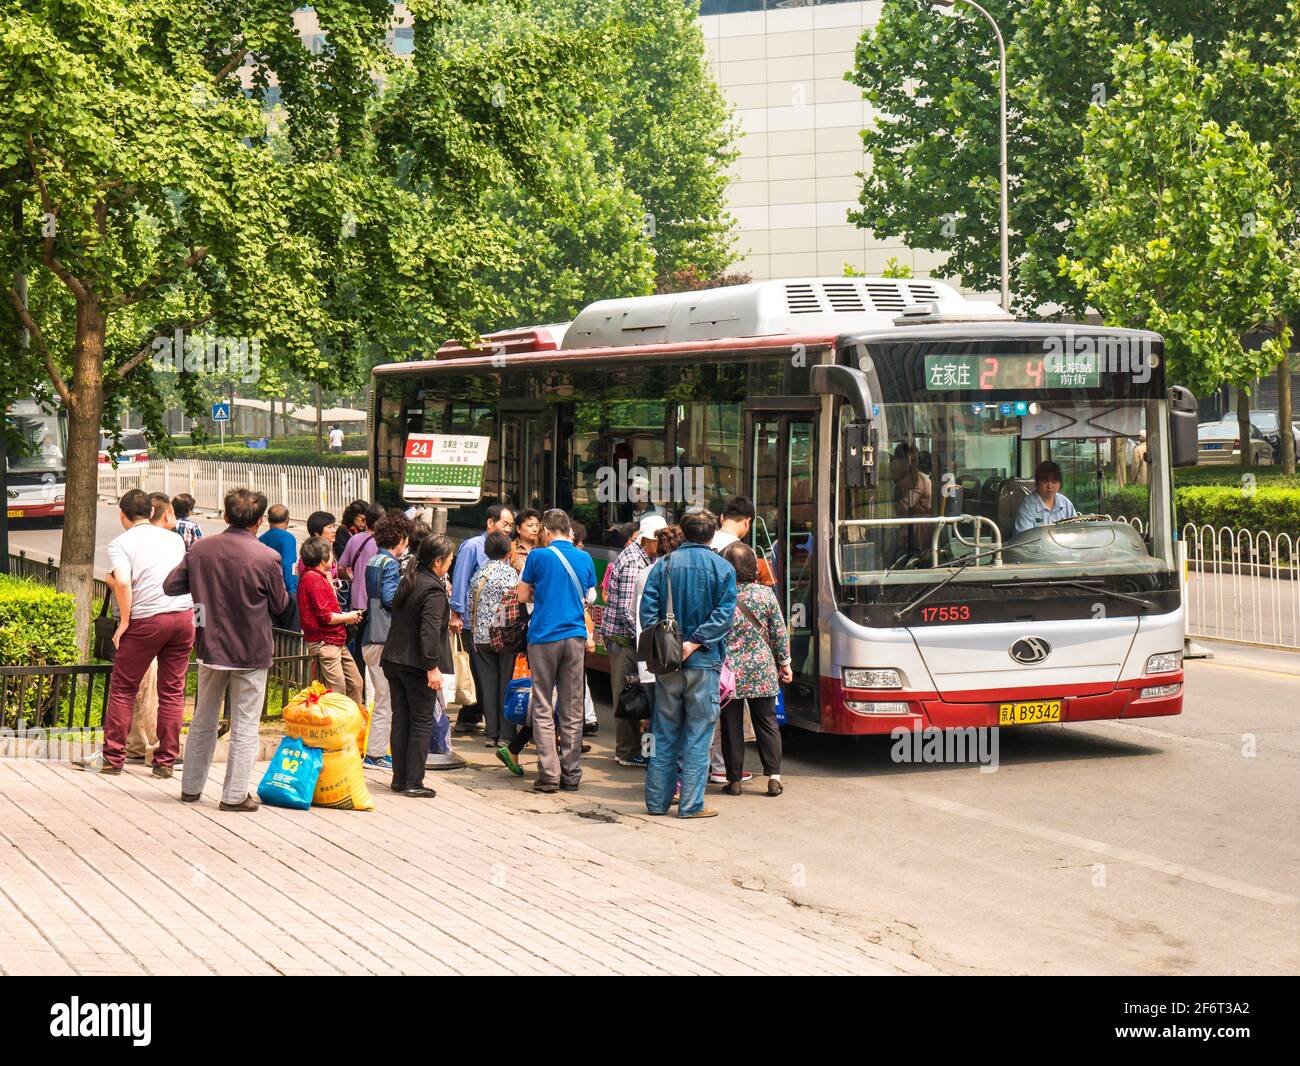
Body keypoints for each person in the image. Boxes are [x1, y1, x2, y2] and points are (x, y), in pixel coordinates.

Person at [163, 488, 288, 811]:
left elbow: (171, 586)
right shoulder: (266, 557)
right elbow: (280, 603)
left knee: (203, 717)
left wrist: (204, 587)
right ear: (260, 521)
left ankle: (191, 788)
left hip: (211, 645)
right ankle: (234, 796)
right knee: (246, 724)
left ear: (225, 516)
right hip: (251, 648)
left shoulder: (201, 549)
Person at [76, 490, 195, 777]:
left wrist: (125, 621)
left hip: (146, 619)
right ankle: (165, 760)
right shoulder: (174, 538)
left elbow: (125, 584)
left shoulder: (120, 543)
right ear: (153, 513)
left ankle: (113, 757)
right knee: (172, 690)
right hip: (182, 616)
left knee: (123, 688)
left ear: (122, 516)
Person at [640, 508, 737, 819]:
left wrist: (669, 643)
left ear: (683, 531)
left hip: (667, 664)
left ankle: (657, 802)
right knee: (698, 735)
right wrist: (694, 641)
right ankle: (691, 804)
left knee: (664, 731)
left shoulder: (663, 565)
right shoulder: (722, 568)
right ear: (711, 535)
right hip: (704, 661)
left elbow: (648, 613)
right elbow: (724, 617)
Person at [516, 509, 597, 794]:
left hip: (543, 636)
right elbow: (589, 597)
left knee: (542, 704)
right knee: (572, 706)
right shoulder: (584, 557)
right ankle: (571, 773)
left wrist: (542, 592)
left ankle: (548, 774)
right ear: (568, 531)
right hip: (575, 636)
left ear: (547, 533)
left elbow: (522, 595)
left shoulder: (537, 556)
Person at [381, 534, 457, 798]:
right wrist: (432, 667)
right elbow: (429, 631)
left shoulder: (411, 580)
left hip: (394, 659)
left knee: (401, 718)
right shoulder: (433, 589)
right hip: (416, 664)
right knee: (421, 721)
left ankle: (400, 779)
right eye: (449, 559)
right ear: (438, 562)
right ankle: (414, 781)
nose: (450, 563)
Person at [718, 542, 790, 797]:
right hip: (762, 667)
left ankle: (734, 780)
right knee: (767, 721)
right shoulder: (765, 594)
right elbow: (779, 632)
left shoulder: (721, 594)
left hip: (729, 672)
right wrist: (785, 663)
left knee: (731, 725)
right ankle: (773, 776)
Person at [600, 512, 667, 767]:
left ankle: (632, 749)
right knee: (627, 697)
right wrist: (647, 642)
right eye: (657, 541)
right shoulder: (632, 563)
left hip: (629, 640)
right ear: (647, 540)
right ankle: (626, 751)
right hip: (625, 641)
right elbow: (631, 612)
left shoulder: (642, 557)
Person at [449, 504, 516, 734]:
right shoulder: (472, 547)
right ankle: (487, 724)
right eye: (504, 524)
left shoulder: (502, 550)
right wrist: (456, 614)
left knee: (487, 679)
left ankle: (486, 724)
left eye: (510, 525)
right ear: (490, 523)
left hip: (495, 628)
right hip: (473, 624)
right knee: (482, 678)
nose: (508, 529)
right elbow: (460, 581)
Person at [361, 513, 412, 768]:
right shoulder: (390, 563)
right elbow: (391, 599)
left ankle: (376, 751)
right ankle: (375, 754)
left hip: (370, 634)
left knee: (381, 696)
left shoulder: (374, 560)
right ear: (401, 539)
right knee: (385, 699)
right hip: (383, 638)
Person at [298, 536, 365, 705]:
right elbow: (325, 616)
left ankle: (353, 722)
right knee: (338, 689)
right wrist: (348, 617)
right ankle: (335, 727)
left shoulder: (318, 576)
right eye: (330, 553)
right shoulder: (312, 579)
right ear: (323, 559)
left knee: (356, 683)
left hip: (335, 639)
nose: (333, 558)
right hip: (324, 641)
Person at [470, 531, 520, 748]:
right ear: (509, 552)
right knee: (506, 684)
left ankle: (491, 733)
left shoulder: (478, 574)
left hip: (481, 637)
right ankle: (507, 735)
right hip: (504, 636)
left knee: (488, 685)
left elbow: (473, 605)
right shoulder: (510, 575)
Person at [259, 504, 300, 631]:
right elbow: (289, 565)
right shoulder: (288, 538)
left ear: (268, 520)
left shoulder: (261, 538)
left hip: (266, 592)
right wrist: (292, 590)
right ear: (287, 520)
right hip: (286, 592)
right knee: (291, 634)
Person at [1014, 460, 1078, 535]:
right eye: (1045, 481)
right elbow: (1023, 538)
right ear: (1037, 483)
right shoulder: (1028, 506)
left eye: (1054, 482)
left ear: (1060, 484)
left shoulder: (1066, 503)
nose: (1050, 486)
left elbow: (1076, 531)